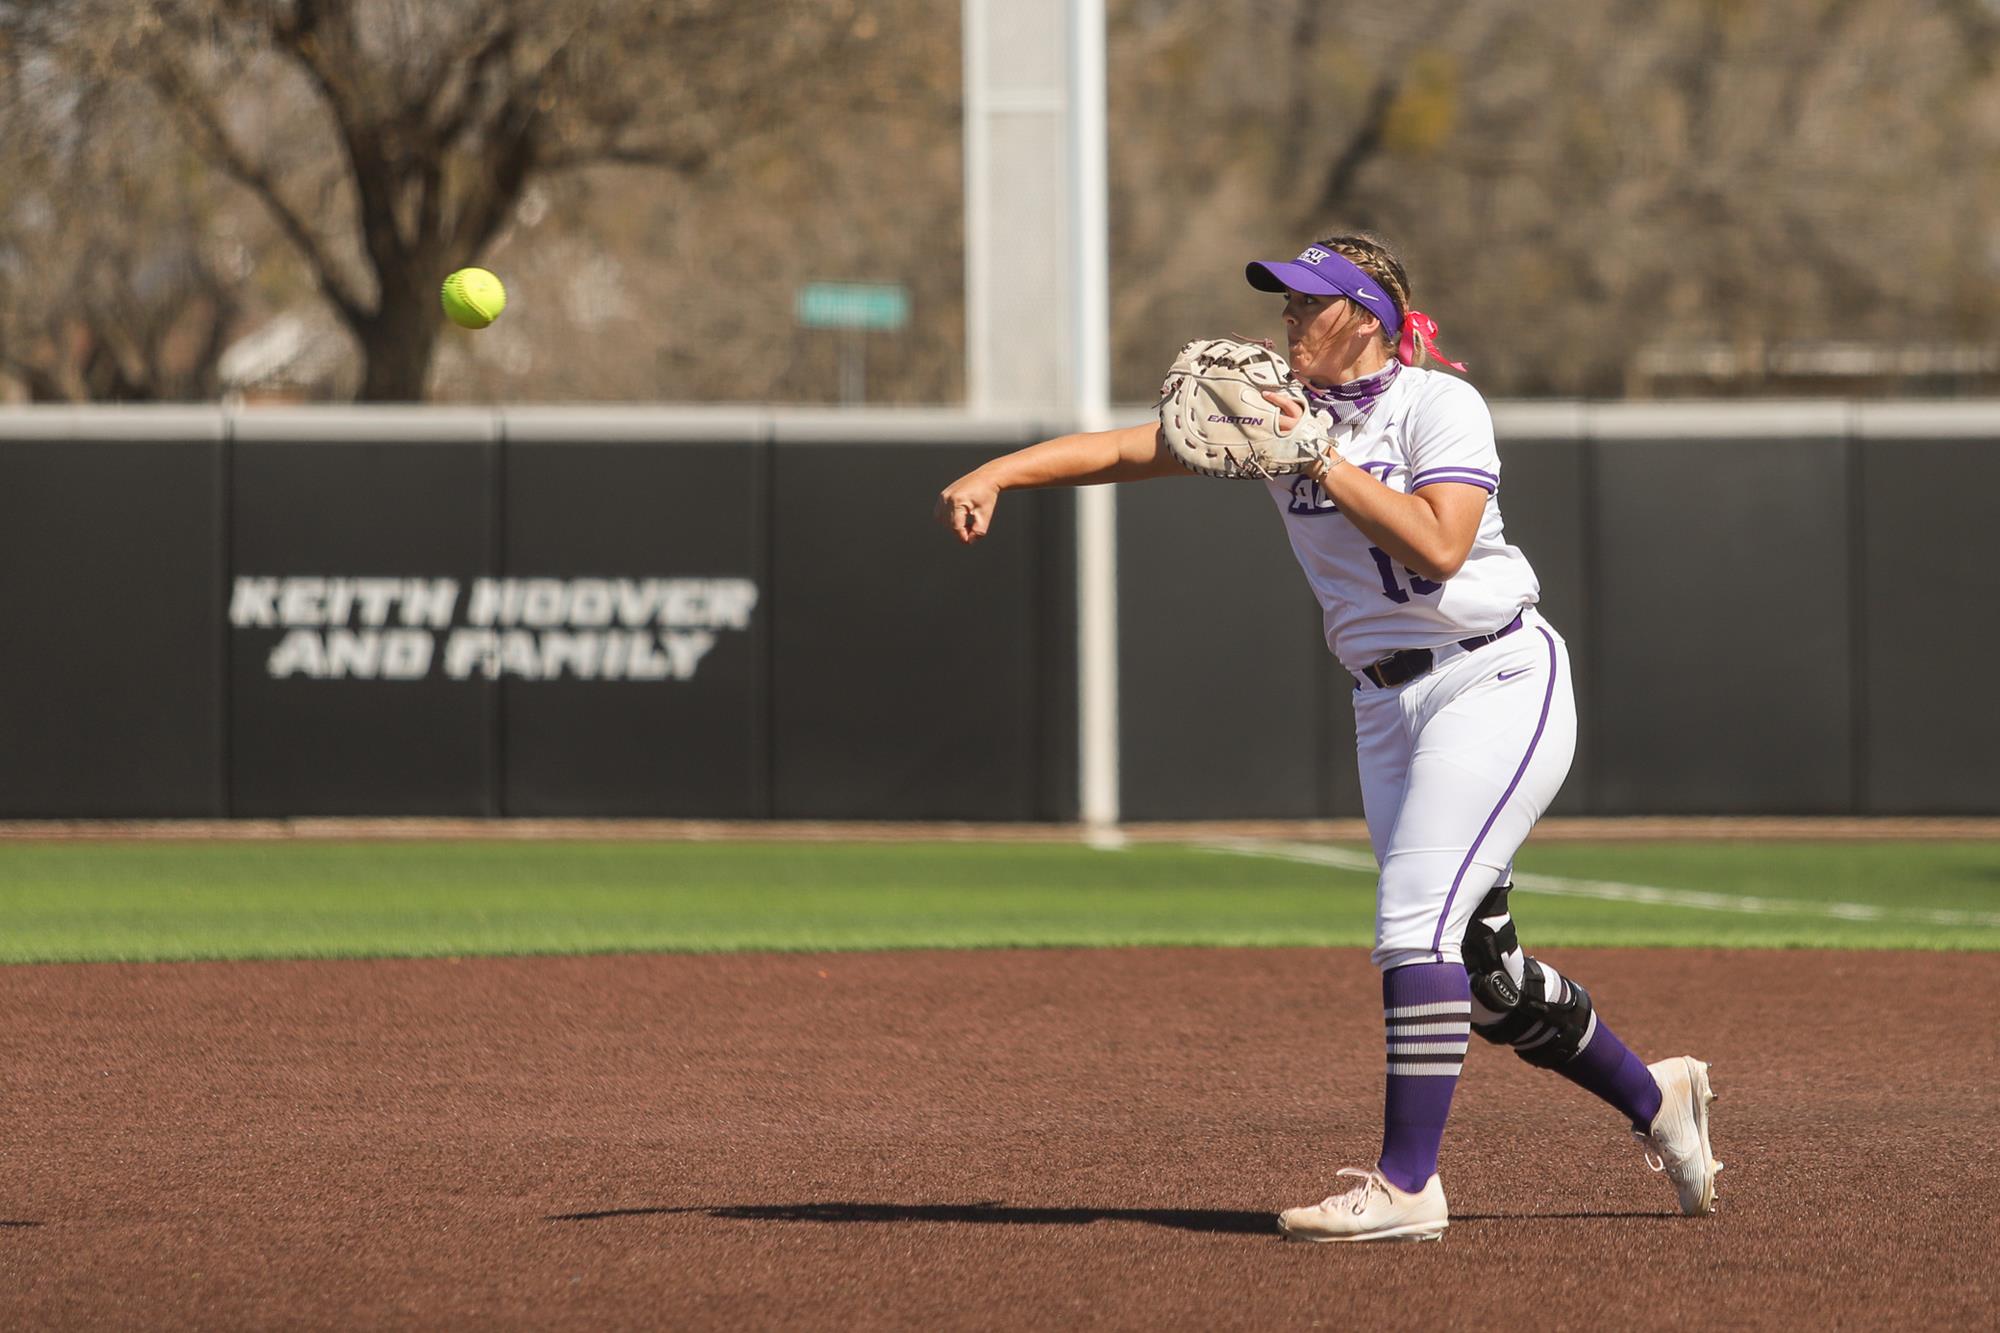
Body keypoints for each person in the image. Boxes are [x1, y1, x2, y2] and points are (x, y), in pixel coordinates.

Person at [933, 232, 1721, 1242]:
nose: (1289, 316)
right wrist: (1001, 472)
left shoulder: (1436, 405)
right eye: (1286, 300)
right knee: (1485, 975)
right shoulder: (1277, 413)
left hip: (1490, 675)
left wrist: (1317, 454)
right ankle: (1658, 1099)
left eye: (1309, 301)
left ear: (1367, 317)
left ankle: (1406, 1186)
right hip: (1384, 705)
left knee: (1414, 922)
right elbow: (1132, 449)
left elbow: (1438, 546)